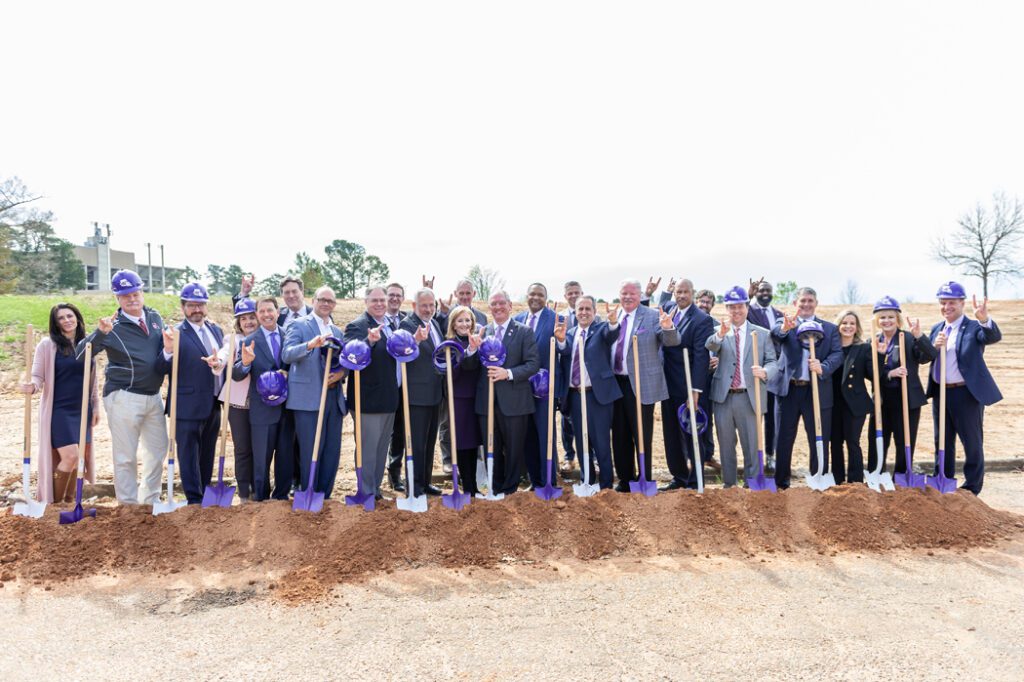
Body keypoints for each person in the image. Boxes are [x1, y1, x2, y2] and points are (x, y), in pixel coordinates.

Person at [77, 269, 169, 505]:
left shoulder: (155, 317)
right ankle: (128, 506)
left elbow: (164, 351)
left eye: (135, 293)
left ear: (142, 293)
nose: (132, 299)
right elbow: (80, 354)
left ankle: (149, 501)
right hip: (124, 397)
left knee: (158, 450)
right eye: (125, 295)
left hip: (154, 396)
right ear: (117, 298)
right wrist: (99, 334)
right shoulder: (112, 326)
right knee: (126, 456)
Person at [460, 290, 540, 495]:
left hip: (515, 401)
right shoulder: (482, 332)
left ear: (510, 305)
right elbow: (470, 367)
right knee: (491, 447)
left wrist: (508, 373)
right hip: (486, 402)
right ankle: (495, 489)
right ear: (489, 308)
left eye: (501, 303)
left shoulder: (524, 332)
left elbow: (533, 364)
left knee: (514, 449)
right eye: (493, 304)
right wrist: (471, 350)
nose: (498, 307)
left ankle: (510, 490)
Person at [927, 283, 1001, 495]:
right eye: (943, 302)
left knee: (971, 441)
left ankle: (972, 487)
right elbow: (926, 356)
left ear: (962, 303)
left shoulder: (973, 327)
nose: (947, 307)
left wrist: (984, 319)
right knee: (942, 440)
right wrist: (933, 346)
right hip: (941, 393)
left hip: (965, 393)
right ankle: (943, 479)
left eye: (952, 302)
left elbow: (992, 337)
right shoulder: (936, 329)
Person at [21, 303, 99, 503]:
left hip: (82, 409)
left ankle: (69, 503)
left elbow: (93, 380)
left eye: (70, 316)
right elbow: (37, 376)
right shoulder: (47, 345)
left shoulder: (86, 344)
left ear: (77, 318)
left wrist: (96, 406)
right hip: (59, 410)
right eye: (61, 318)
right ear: (55, 324)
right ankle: (53, 505)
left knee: (79, 459)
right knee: (70, 456)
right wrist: (32, 386)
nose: (66, 320)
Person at [606, 279, 680, 491]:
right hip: (616, 383)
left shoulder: (651, 316)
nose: (628, 297)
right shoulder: (613, 317)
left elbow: (672, 341)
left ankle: (645, 478)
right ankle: (625, 479)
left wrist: (668, 327)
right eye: (624, 293)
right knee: (619, 434)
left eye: (632, 293)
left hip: (641, 384)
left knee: (641, 433)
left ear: (640, 296)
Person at [769, 287, 843, 489]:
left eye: (810, 301)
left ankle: (818, 480)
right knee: (783, 438)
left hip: (816, 390)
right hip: (789, 390)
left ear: (816, 303)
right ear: (795, 304)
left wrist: (823, 366)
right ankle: (781, 483)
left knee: (818, 437)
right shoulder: (786, 323)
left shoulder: (829, 329)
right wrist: (785, 328)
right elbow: (776, 334)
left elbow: (837, 354)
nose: (806, 304)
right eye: (802, 301)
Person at [705, 286, 777, 487]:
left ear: (747, 307)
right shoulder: (718, 332)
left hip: (750, 397)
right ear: (726, 308)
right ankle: (729, 485)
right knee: (726, 444)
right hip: (723, 397)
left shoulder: (762, 334)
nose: (736, 311)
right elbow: (710, 346)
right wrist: (721, 334)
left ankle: (753, 484)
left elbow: (773, 362)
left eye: (740, 306)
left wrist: (765, 372)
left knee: (752, 444)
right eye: (731, 307)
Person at [163, 283, 226, 505]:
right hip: (186, 405)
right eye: (191, 305)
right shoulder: (175, 333)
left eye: (200, 305)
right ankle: (194, 499)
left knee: (207, 452)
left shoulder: (216, 330)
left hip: (213, 402)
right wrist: (168, 351)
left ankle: (205, 496)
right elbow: (161, 367)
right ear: (183, 307)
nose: (197, 309)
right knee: (189, 454)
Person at [282, 286, 347, 498]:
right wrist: (309, 345)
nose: (326, 303)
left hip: (333, 398)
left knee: (331, 450)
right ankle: (308, 492)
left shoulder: (337, 332)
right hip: (307, 399)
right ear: (313, 301)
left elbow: (344, 363)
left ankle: (324, 495)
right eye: (322, 299)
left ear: (334, 304)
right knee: (311, 449)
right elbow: (287, 354)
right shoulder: (299, 325)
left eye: (330, 300)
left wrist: (341, 374)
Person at [865, 296, 935, 483]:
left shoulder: (909, 338)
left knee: (904, 442)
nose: (886, 321)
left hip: (907, 399)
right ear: (877, 320)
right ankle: (875, 477)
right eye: (882, 317)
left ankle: (901, 479)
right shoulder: (872, 340)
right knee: (877, 440)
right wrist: (889, 373)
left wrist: (919, 336)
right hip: (882, 400)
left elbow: (929, 355)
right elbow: (869, 371)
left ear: (898, 318)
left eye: (890, 317)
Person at [555, 296, 621, 489]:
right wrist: (560, 340)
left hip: (597, 396)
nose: (583, 312)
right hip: (575, 395)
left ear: (594, 311)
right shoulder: (569, 333)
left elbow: (611, 334)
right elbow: (564, 351)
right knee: (582, 441)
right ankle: (587, 482)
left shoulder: (601, 329)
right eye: (580, 309)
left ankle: (606, 485)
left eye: (587, 309)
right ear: (575, 312)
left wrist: (613, 322)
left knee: (601, 441)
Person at [234, 297, 294, 501]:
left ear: (278, 312)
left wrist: (288, 375)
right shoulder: (248, 342)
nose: (266, 315)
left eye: (270, 310)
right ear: (257, 315)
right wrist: (245, 362)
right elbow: (236, 374)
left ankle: (281, 496)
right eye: (262, 311)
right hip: (262, 410)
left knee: (285, 456)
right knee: (261, 458)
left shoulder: (290, 335)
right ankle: (260, 498)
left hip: (287, 408)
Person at [344, 285, 400, 500]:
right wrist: (369, 342)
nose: (379, 304)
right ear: (366, 302)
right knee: (368, 450)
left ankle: (375, 490)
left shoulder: (390, 326)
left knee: (381, 449)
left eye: (382, 300)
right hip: (367, 401)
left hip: (388, 398)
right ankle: (365, 491)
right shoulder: (357, 326)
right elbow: (349, 354)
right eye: (374, 300)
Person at [658, 278, 714, 490]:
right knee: (671, 433)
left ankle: (695, 480)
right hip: (667, 384)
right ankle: (679, 477)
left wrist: (696, 390)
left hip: (688, 384)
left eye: (685, 292)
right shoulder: (669, 309)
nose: (681, 295)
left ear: (692, 293)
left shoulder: (701, 319)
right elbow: (658, 306)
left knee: (692, 433)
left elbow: (701, 356)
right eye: (678, 292)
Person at [435, 279, 486, 475]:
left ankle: (476, 476)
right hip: (457, 393)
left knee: (473, 436)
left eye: (468, 321)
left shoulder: (481, 320)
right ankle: (452, 464)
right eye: (461, 293)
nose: (465, 323)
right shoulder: (450, 338)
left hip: (477, 392)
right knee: (454, 431)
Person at [514, 282, 563, 489]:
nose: (535, 298)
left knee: (545, 435)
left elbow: (563, 350)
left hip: (545, 389)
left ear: (546, 298)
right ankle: (534, 481)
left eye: (540, 295)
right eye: (532, 294)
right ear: (527, 296)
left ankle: (548, 481)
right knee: (528, 436)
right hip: (522, 388)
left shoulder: (555, 319)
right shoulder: (517, 320)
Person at [399, 288, 446, 496]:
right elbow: (402, 351)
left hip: (435, 393)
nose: (428, 309)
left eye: (431, 305)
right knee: (416, 444)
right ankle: (414, 486)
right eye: (424, 305)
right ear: (414, 306)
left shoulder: (434, 323)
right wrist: (415, 340)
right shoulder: (407, 325)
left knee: (429, 442)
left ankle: (426, 482)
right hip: (416, 396)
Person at [216, 298, 258, 501]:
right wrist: (218, 361)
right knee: (242, 448)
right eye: (243, 319)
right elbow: (224, 354)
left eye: (251, 317)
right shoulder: (232, 339)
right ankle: (243, 492)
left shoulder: (264, 337)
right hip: (237, 402)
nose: (248, 322)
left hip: (261, 401)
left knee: (259, 448)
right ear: (238, 322)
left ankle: (258, 489)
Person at [829, 309, 872, 484]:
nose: (848, 326)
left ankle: (856, 482)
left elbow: (872, 374)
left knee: (853, 441)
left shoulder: (863, 348)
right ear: (838, 326)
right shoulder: (831, 349)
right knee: (835, 442)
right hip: (833, 403)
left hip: (855, 403)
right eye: (844, 323)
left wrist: (880, 356)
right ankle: (837, 480)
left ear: (857, 327)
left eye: (852, 323)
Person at [445, 306, 483, 495]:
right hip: (459, 399)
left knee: (473, 443)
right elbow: (453, 373)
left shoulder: (477, 340)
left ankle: (474, 485)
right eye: (460, 320)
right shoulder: (450, 345)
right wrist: (469, 351)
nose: (464, 324)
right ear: (453, 324)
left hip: (476, 398)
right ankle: (467, 486)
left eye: (468, 320)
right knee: (461, 443)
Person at [746, 278, 783, 470]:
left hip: (773, 372)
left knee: (771, 418)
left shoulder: (779, 314)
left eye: (768, 290)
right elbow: (740, 313)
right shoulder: (750, 311)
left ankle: (770, 454)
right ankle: (754, 457)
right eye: (761, 291)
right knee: (754, 416)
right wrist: (748, 295)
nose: (765, 293)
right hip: (754, 370)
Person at [385, 281, 410, 491]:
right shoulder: (378, 321)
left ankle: (395, 473)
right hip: (384, 386)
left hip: (404, 386)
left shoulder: (407, 321)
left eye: (398, 295)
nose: (394, 299)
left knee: (400, 432)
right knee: (382, 431)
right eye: (391, 295)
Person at [560, 280, 585, 472]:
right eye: (570, 293)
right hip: (567, 376)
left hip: (587, 378)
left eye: (577, 292)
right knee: (566, 420)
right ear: (565, 296)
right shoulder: (560, 318)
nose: (574, 295)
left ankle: (591, 457)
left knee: (588, 421)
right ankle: (569, 456)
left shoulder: (592, 315)